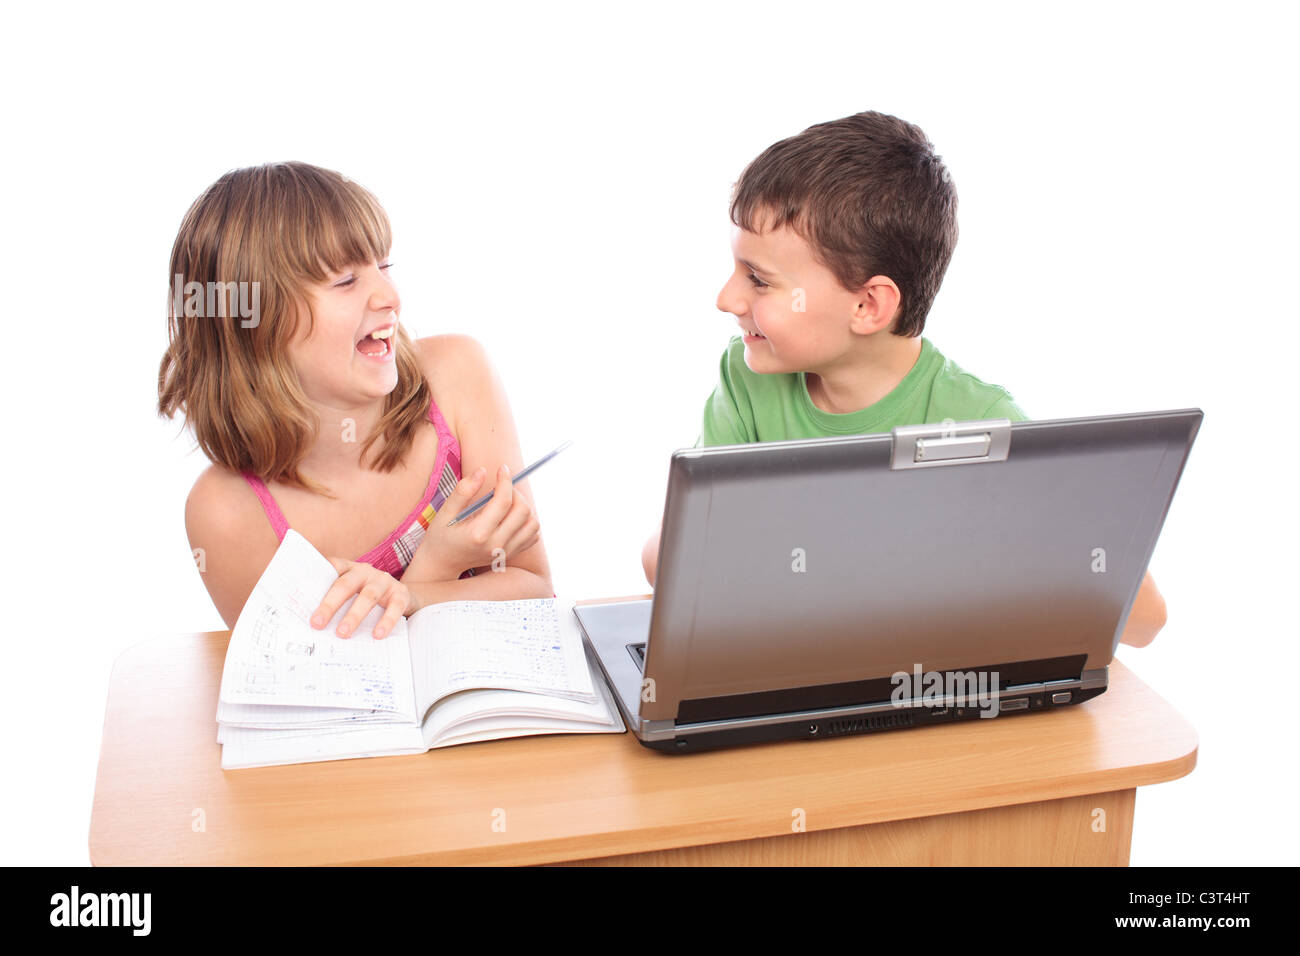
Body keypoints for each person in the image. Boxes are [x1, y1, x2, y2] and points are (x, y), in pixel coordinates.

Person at [640, 112, 1167, 647]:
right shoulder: (746, 380)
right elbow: (665, 566)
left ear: (868, 305)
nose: (727, 299)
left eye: (758, 279)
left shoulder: (981, 422)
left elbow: (1146, 621)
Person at [160, 162, 551, 640]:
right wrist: (432, 568)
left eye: (384, 267)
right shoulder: (227, 512)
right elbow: (301, 689)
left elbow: (535, 589)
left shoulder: (457, 375)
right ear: (256, 322)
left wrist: (417, 595)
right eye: (346, 281)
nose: (390, 296)